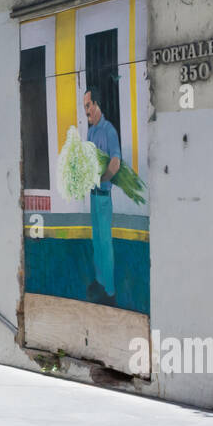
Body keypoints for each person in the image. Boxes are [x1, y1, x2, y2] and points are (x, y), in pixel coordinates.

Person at [83, 85, 122, 305]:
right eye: (84, 107)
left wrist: (102, 179)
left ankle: (110, 292)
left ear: (97, 104)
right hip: (93, 195)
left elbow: (115, 163)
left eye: (88, 105)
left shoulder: (109, 131)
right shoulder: (91, 131)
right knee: (96, 241)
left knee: (105, 244)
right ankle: (99, 281)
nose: (86, 111)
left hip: (103, 197)